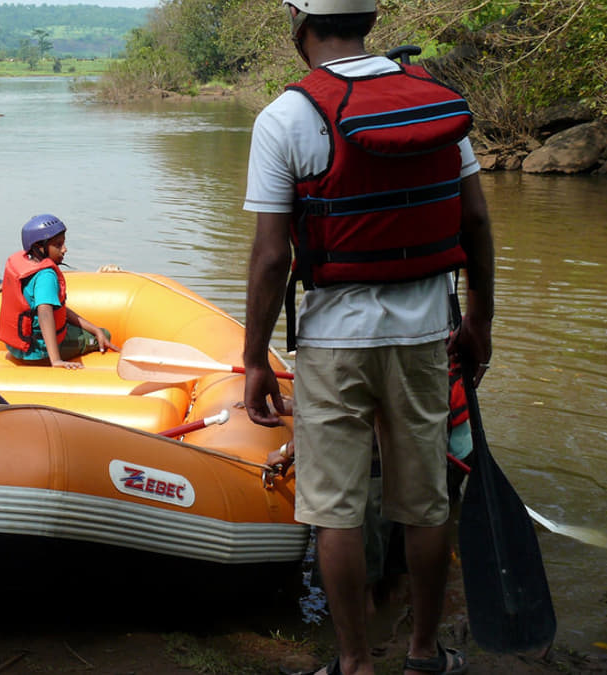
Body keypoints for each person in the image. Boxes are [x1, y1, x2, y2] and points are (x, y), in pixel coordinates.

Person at [240, 1, 494, 674]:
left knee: (335, 509)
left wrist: (252, 360)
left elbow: (271, 258)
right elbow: (473, 220)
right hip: (426, 334)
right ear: (370, 20)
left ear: (299, 27)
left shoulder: (285, 116)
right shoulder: (437, 100)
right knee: (425, 502)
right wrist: (479, 319)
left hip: (332, 338)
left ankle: (353, 662)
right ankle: (421, 652)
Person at [0, 214, 117, 369]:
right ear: (40, 247)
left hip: (19, 348)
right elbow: (45, 313)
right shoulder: (46, 275)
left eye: (63, 243)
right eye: (58, 245)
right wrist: (56, 360)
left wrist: (93, 328)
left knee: (96, 331)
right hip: (39, 351)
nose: (64, 249)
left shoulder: (27, 264)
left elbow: (56, 310)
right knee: (105, 334)